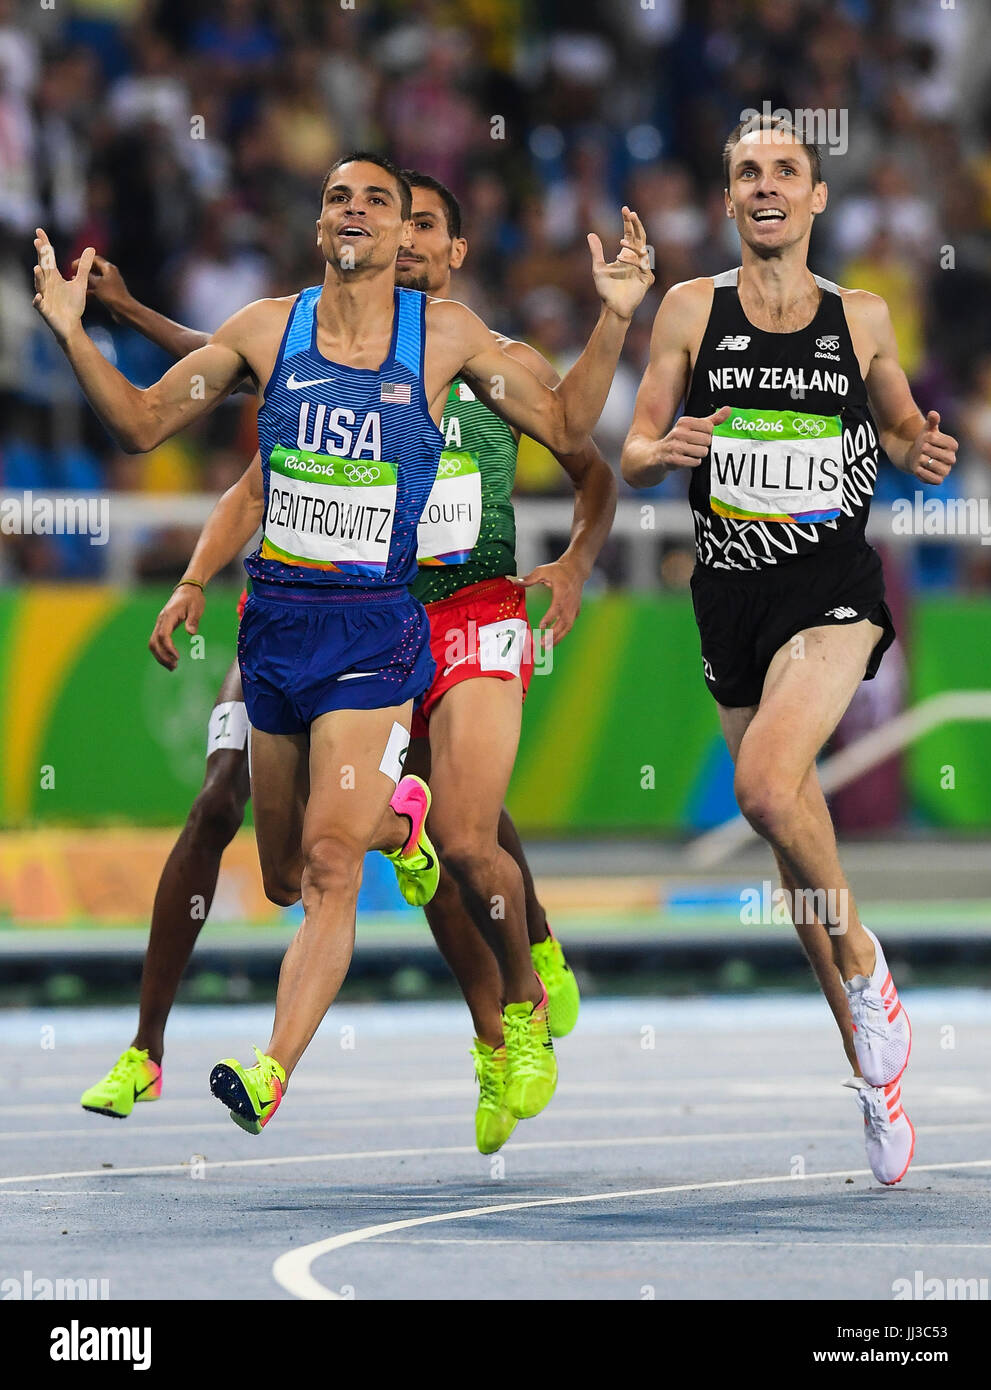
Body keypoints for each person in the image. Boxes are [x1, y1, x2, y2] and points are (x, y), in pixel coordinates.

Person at [34, 152, 652, 1135]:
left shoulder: (450, 340)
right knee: (280, 872)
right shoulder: (266, 329)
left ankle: (277, 1067)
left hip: (391, 626)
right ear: (320, 226)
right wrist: (76, 331)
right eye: (340, 198)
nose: (362, 214)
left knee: (349, 862)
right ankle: (400, 828)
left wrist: (614, 316)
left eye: (383, 202)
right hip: (277, 629)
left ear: (425, 235)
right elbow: (146, 422)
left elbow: (575, 430)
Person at [621, 115, 957, 1186]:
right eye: (745, 174)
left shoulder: (857, 317)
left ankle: (870, 972)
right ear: (728, 202)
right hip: (729, 598)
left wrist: (918, 444)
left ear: (814, 199)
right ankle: (870, 1067)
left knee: (767, 788)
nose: (764, 186)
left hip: (829, 590)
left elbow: (900, 425)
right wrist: (655, 449)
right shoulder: (688, 309)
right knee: (793, 867)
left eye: (783, 171)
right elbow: (632, 448)